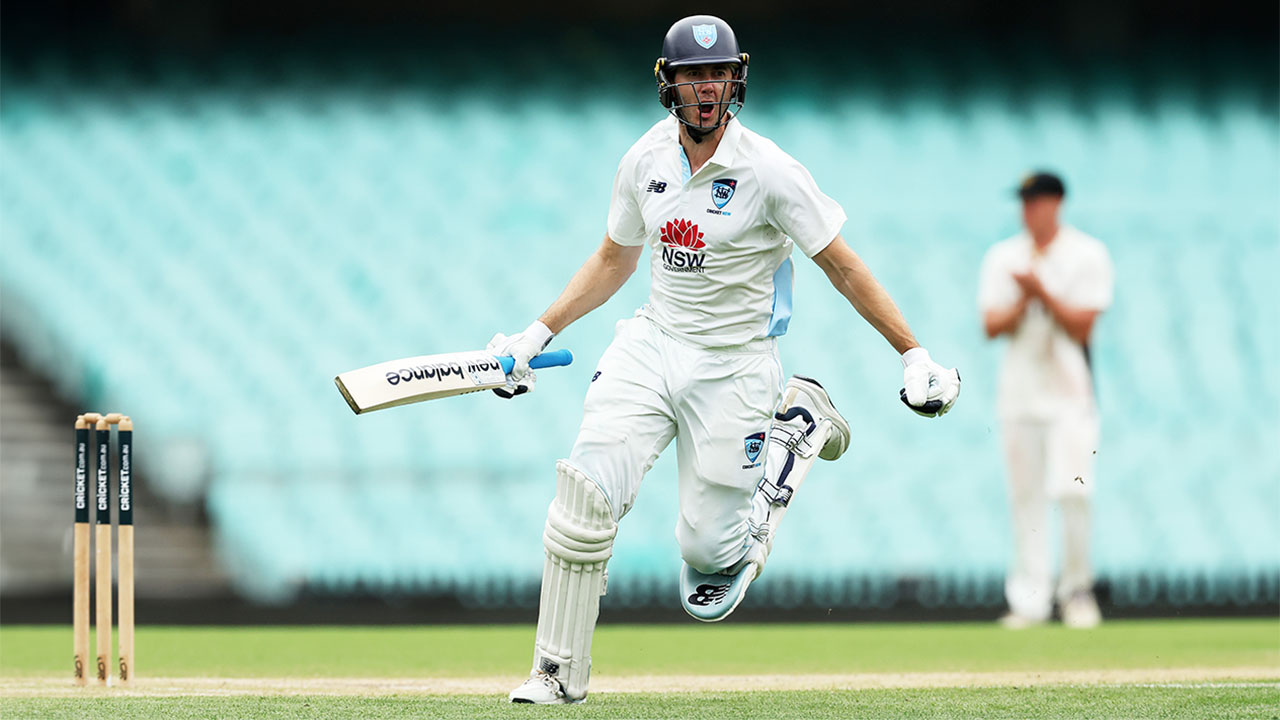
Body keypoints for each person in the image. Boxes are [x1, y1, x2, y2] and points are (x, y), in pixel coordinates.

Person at [492, 15, 961, 704]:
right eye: (691, 76)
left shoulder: (769, 172)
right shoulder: (644, 161)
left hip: (736, 367)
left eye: (716, 75)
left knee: (709, 570)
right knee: (584, 496)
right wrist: (533, 335)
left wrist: (912, 351)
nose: (705, 89)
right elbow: (614, 257)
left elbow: (844, 266)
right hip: (652, 345)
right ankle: (555, 675)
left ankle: (793, 436)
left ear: (734, 81)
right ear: (668, 84)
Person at [978, 172, 1114, 630]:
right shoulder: (1004, 256)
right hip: (1018, 394)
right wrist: (1023, 300)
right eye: (1024, 201)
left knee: (1074, 490)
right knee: (1026, 499)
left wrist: (1042, 292)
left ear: (1056, 202)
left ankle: (1076, 592)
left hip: (1071, 395)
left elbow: (1083, 327)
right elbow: (991, 325)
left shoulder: (1087, 253)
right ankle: (1031, 600)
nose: (1028, 208)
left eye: (1036, 200)